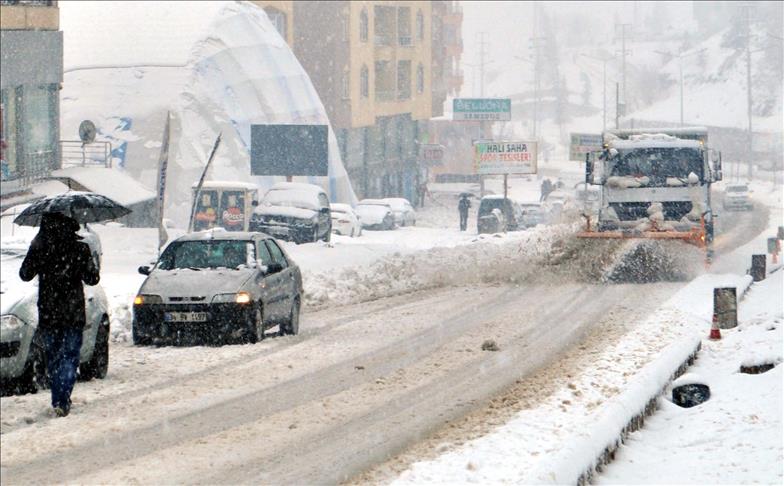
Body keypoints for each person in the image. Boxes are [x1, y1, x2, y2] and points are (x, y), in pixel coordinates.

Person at [19, 212, 100, 417]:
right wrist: (87, 261)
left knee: (54, 357)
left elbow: (25, 274)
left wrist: (37, 251)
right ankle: (62, 398)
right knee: (70, 356)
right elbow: (93, 278)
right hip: (73, 312)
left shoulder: (40, 247)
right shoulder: (79, 247)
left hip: (49, 312)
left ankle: (59, 398)